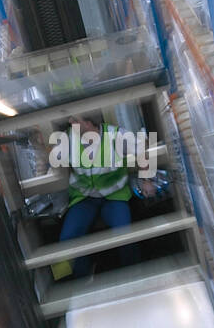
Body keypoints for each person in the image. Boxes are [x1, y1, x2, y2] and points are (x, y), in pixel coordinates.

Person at [56, 113, 156, 277]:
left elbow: (143, 151)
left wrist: (146, 180)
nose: (70, 122)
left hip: (114, 195)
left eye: (75, 119)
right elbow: (52, 161)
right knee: (68, 238)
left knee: (124, 233)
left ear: (88, 123)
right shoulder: (68, 139)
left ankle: (135, 275)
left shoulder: (116, 135)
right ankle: (82, 278)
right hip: (84, 198)